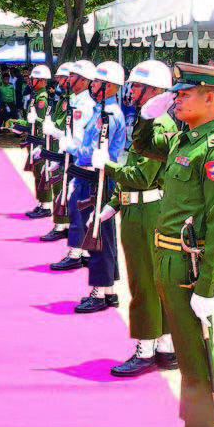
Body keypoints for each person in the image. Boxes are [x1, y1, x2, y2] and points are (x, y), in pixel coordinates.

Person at [130, 62, 214, 427]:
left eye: (185, 94)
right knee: (186, 354)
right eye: (176, 93)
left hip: (189, 267)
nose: (176, 100)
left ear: (210, 98)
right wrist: (145, 117)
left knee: (197, 355)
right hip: (167, 259)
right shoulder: (183, 142)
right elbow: (144, 148)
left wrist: (207, 286)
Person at [92, 61, 178, 375]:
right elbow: (135, 170)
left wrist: (107, 166)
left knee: (144, 282)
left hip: (146, 212)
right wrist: (115, 203)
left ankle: (146, 349)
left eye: (138, 86)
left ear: (155, 90)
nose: (131, 91)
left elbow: (141, 176)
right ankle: (166, 347)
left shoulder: (158, 124)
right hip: (138, 208)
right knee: (153, 281)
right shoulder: (148, 121)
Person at [65, 62, 126, 314]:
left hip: (98, 178)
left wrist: (70, 147)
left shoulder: (107, 115)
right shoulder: (103, 111)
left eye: (98, 82)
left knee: (97, 236)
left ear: (109, 86)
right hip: (94, 177)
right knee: (103, 235)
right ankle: (108, 290)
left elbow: (92, 151)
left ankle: (99, 292)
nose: (93, 85)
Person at [49, 60, 97, 271]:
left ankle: (76, 252)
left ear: (84, 80)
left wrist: (63, 141)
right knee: (77, 205)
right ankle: (83, 251)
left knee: (78, 206)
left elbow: (80, 139)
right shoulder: (75, 101)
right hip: (75, 158)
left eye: (72, 77)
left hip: (82, 161)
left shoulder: (85, 105)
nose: (68, 80)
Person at [39, 62, 74, 242]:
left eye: (61, 78)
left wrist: (54, 129)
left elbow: (66, 126)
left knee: (61, 186)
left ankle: (62, 225)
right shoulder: (64, 97)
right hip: (59, 146)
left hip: (67, 148)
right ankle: (63, 224)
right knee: (59, 186)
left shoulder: (72, 99)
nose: (58, 81)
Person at [21, 65, 53, 219]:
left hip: (39, 140)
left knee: (41, 173)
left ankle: (46, 205)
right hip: (33, 139)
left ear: (40, 80)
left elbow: (42, 123)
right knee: (36, 173)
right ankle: (41, 202)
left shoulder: (42, 98)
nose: (30, 80)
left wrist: (40, 143)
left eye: (33, 79)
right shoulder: (35, 96)